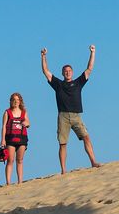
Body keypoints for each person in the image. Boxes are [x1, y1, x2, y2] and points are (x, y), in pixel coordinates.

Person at [41, 45, 101, 173]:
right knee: (63, 143)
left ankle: (93, 161)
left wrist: (93, 52)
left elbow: (89, 68)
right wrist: (43, 56)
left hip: (76, 116)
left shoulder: (78, 82)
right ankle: (63, 170)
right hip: (63, 116)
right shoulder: (58, 84)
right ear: (62, 73)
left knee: (86, 137)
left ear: (72, 72)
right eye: (65, 71)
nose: (67, 72)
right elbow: (45, 71)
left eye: (69, 71)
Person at [0, 92, 31, 185]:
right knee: (10, 160)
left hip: (22, 139)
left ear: (20, 101)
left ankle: (20, 181)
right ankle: (8, 182)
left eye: (17, 100)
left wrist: (26, 123)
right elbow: (4, 126)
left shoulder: (24, 112)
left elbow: (28, 123)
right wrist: (3, 139)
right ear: (10, 101)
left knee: (20, 160)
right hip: (10, 139)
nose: (16, 101)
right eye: (14, 100)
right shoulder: (7, 112)